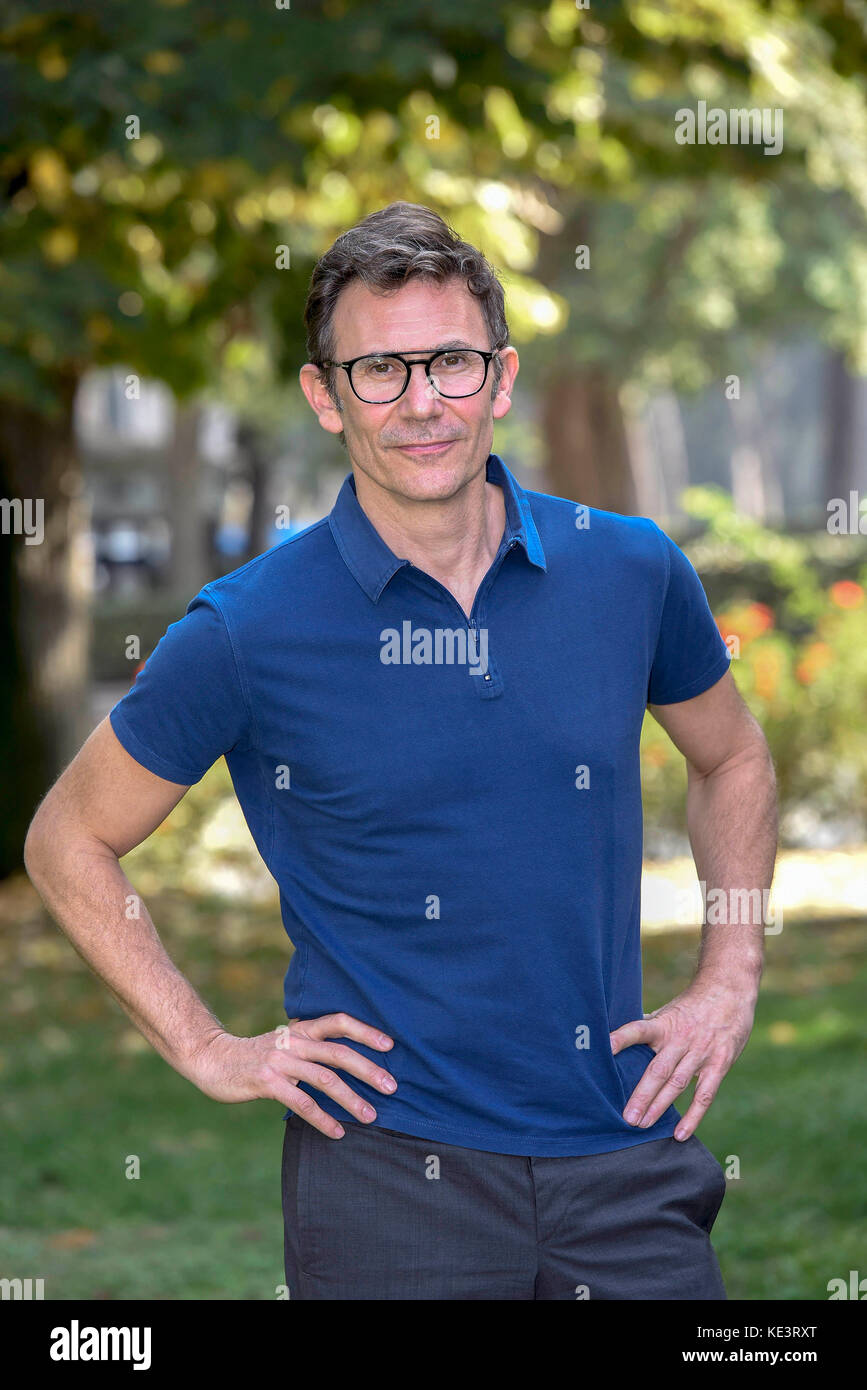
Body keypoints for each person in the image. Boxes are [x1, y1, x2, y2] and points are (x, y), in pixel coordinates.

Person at [25, 201, 777, 1301]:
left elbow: (735, 760)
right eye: (380, 369)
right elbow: (67, 838)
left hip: (625, 1149)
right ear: (324, 395)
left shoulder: (630, 569)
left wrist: (732, 971)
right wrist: (206, 1045)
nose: (423, 402)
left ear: (503, 376)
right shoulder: (248, 629)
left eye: (453, 362)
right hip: (386, 1178)